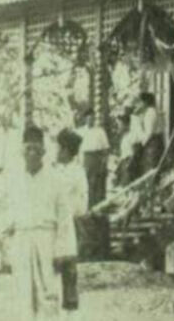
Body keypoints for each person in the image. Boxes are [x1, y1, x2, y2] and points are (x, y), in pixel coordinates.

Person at [4, 125, 77, 319]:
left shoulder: (55, 179)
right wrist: (6, 224)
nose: (32, 154)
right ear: (22, 151)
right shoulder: (13, 178)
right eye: (28, 148)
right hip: (22, 238)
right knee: (23, 294)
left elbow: (64, 217)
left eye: (37, 149)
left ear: (43, 152)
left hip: (47, 239)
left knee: (47, 293)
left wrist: (63, 249)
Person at [54, 129, 88, 315]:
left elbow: (82, 204)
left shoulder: (77, 173)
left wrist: (68, 209)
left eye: (58, 148)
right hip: (50, 227)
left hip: (67, 226)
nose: (55, 151)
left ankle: (70, 313)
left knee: (68, 273)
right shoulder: (51, 170)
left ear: (65, 150)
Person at [75, 109, 110, 257]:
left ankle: (98, 205)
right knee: (86, 184)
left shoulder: (100, 131)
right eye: (88, 118)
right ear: (84, 119)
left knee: (97, 183)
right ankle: (88, 206)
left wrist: (104, 162)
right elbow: (77, 151)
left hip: (96, 158)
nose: (90, 120)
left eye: (92, 118)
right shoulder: (81, 132)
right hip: (86, 158)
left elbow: (106, 150)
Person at [136, 92, 165, 178]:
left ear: (145, 102)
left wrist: (142, 143)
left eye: (140, 102)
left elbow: (149, 133)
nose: (139, 105)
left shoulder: (150, 113)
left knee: (151, 167)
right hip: (154, 142)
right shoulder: (151, 112)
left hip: (153, 143)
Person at [115, 110, 141, 187]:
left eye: (120, 125)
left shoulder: (132, 135)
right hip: (124, 164)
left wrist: (129, 165)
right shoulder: (124, 138)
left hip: (130, 165)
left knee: (130, 186)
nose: (118, 127)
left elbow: (135, 152)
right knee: (124, 186)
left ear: (126, 125)